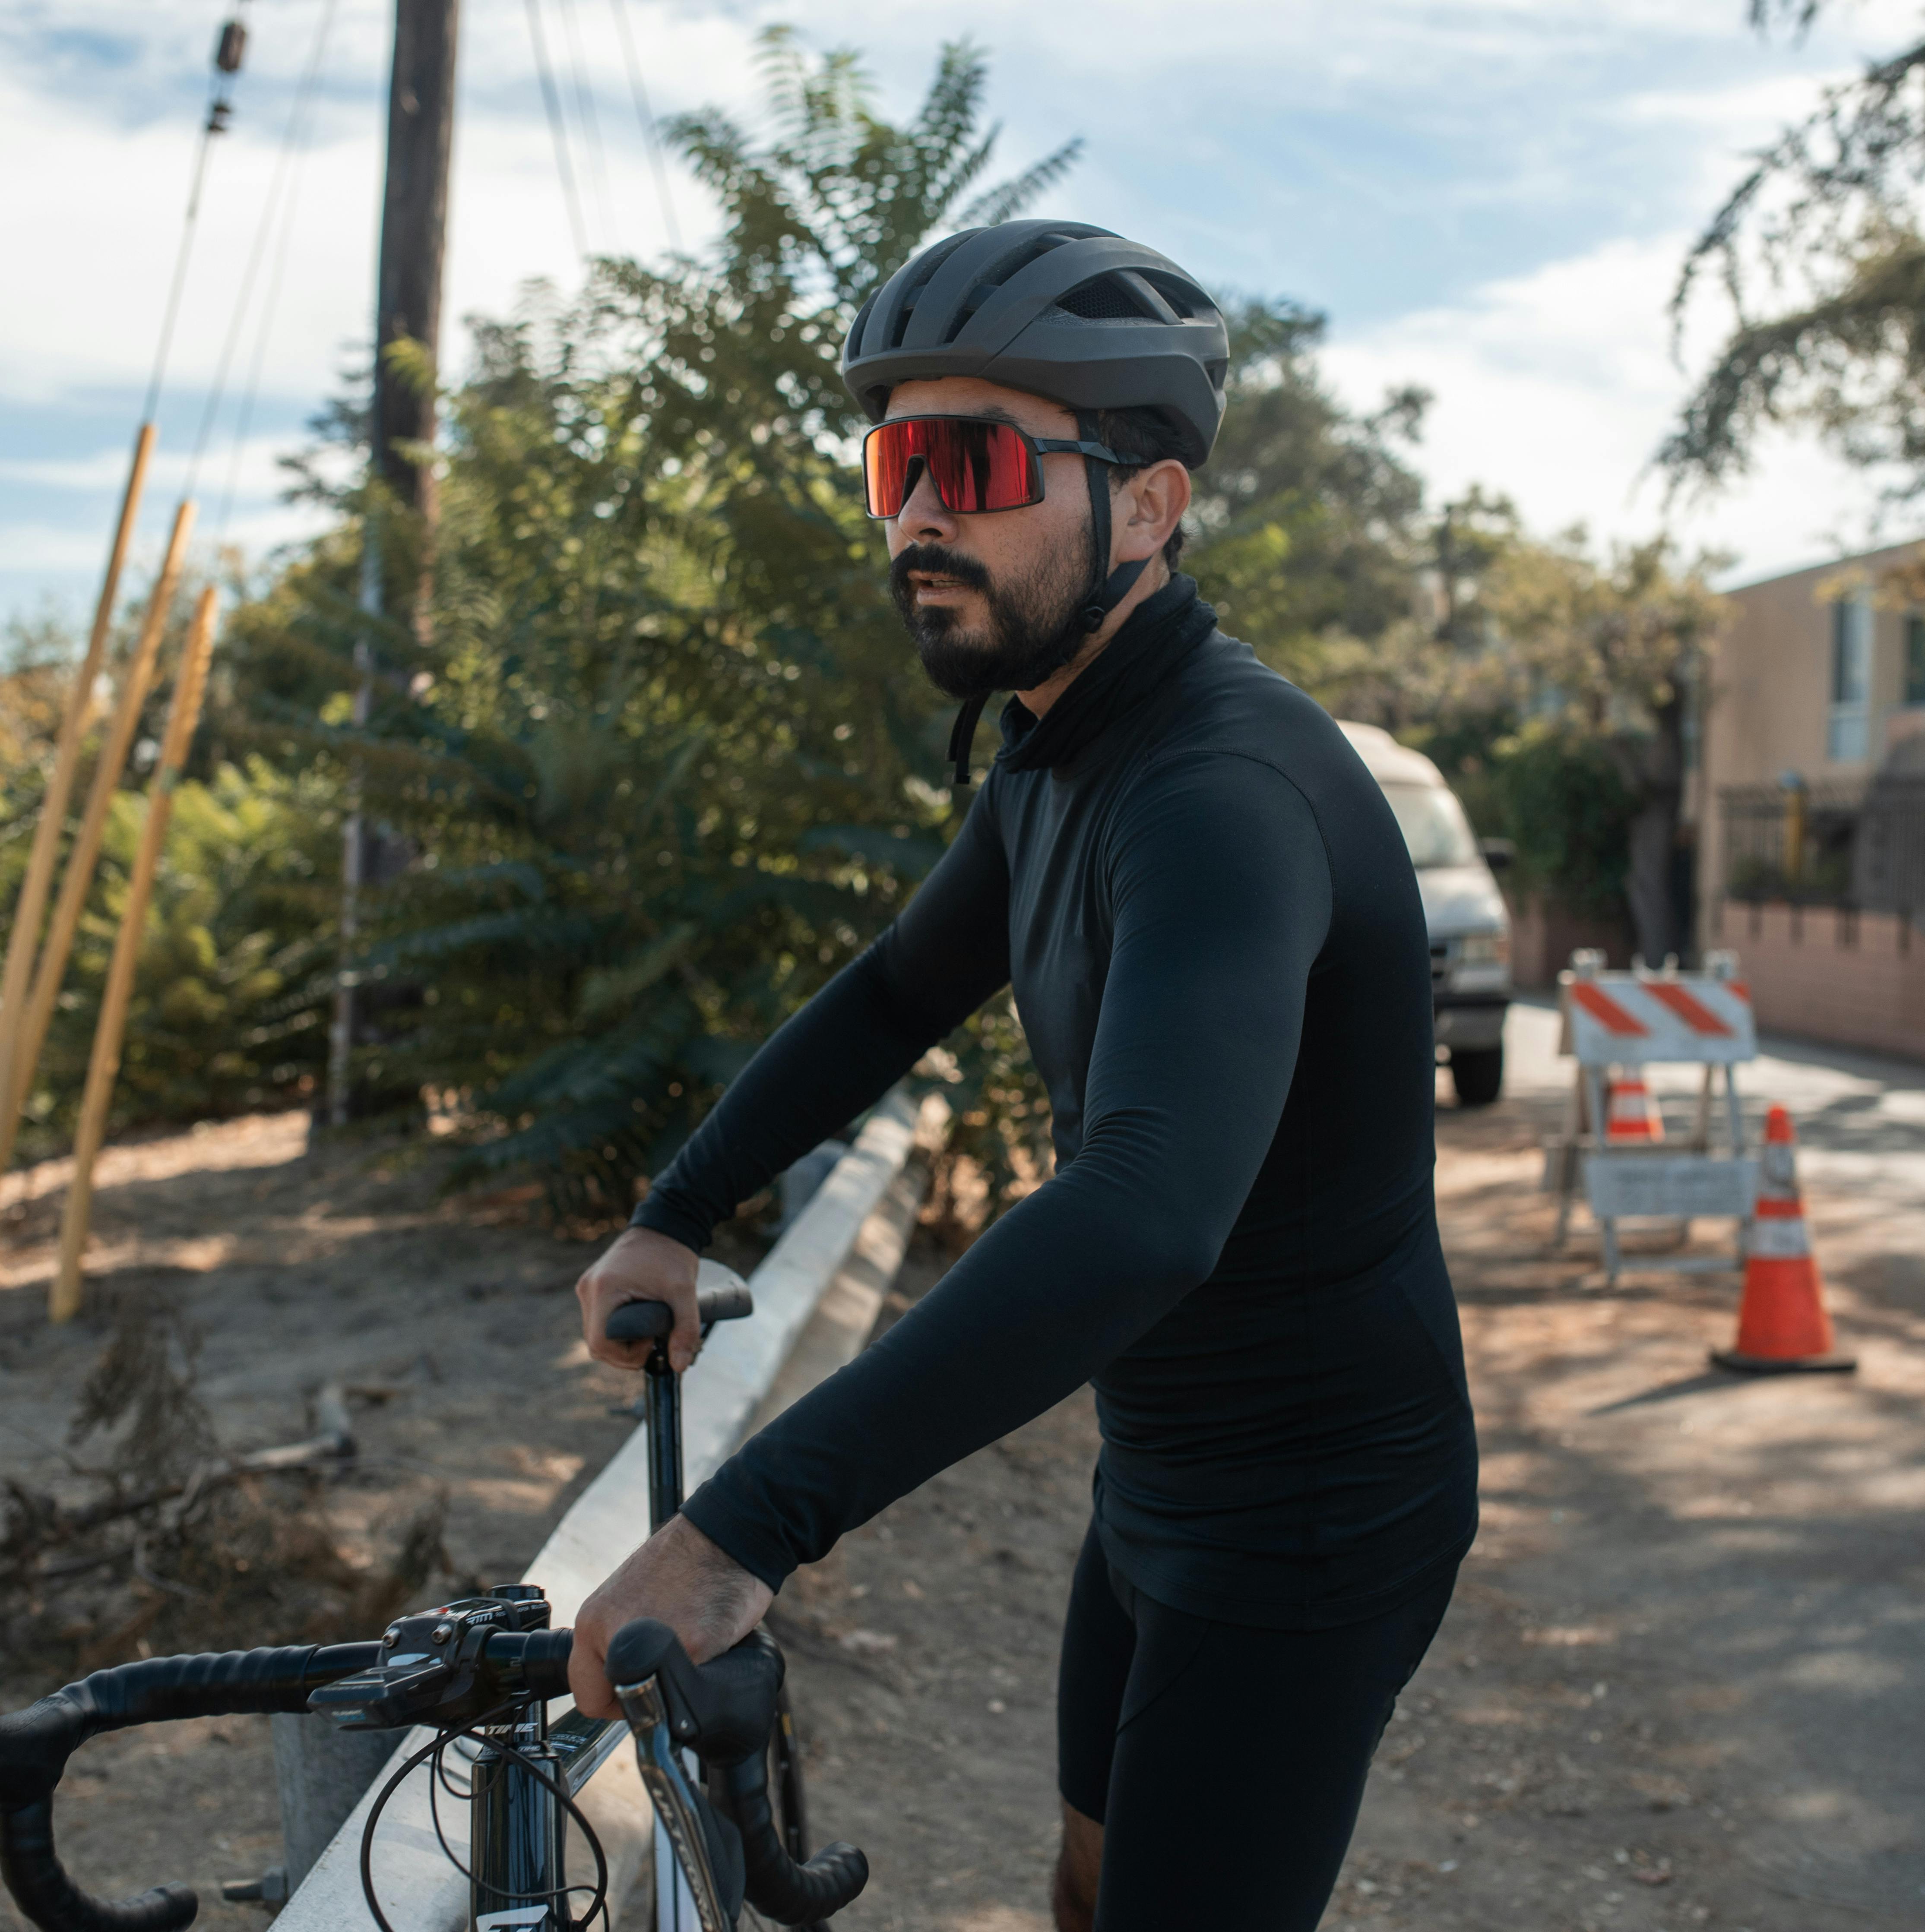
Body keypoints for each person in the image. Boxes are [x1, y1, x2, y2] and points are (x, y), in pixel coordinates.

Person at [566, 218, 1479, 1930]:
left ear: (1147, 504)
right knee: (1087, 1890)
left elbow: (1144, 1217)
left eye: (970, 463)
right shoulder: (1062, 753)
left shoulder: (1219, 790)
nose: (918, 515)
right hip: (1159, 1470)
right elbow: (894, 991)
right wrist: (677, 1211)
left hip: (1312, 1513)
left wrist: (739, 1531)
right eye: (895, 461)